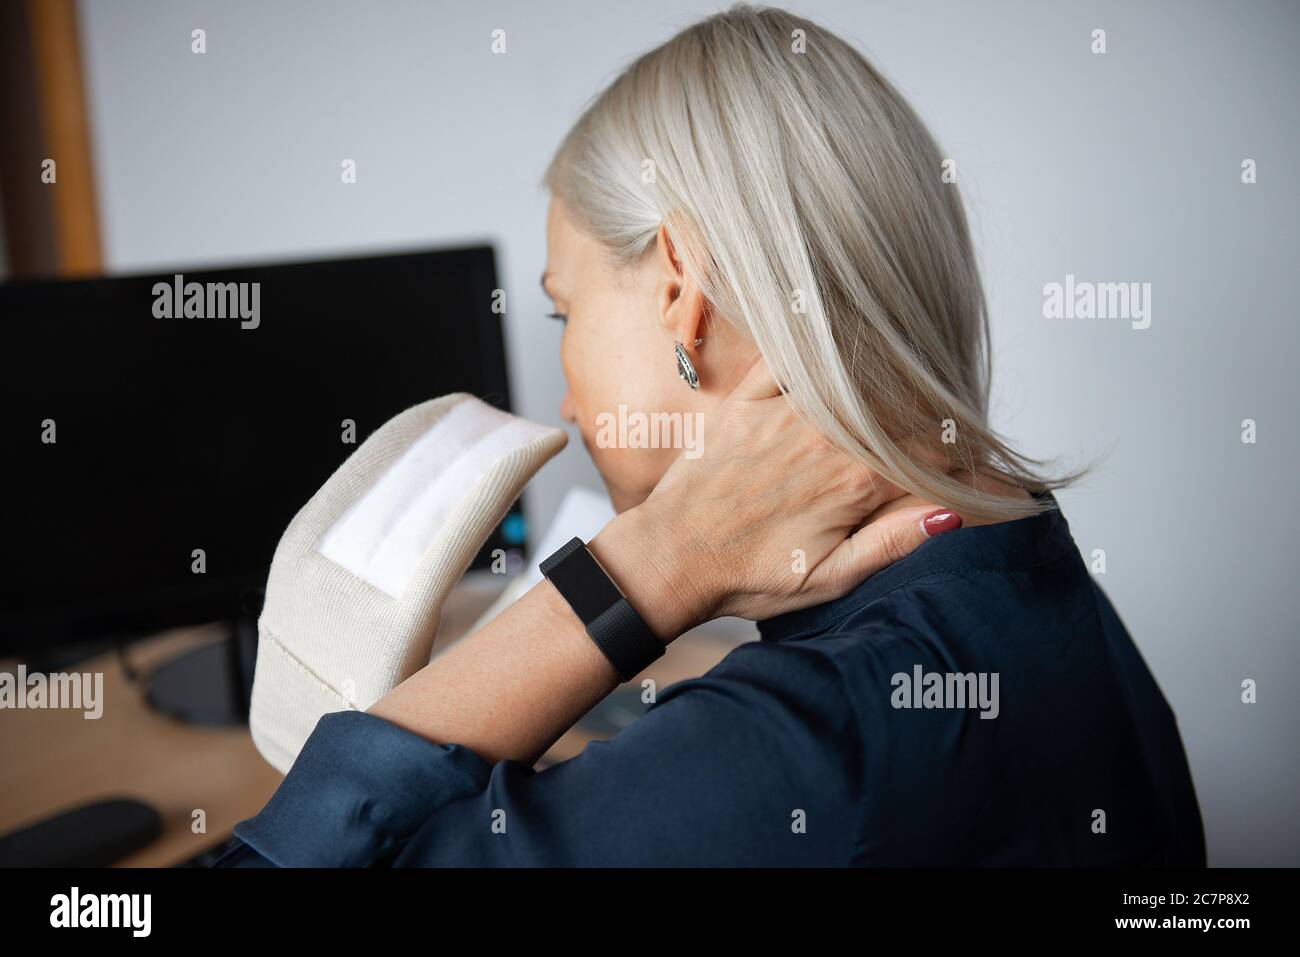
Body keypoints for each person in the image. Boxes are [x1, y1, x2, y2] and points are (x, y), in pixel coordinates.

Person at [215, 5, 1203, 867]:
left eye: (564, 312)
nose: (566, 403)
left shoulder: (790, 749)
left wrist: (655, 560)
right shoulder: (1026, 556)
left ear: (681, 290)